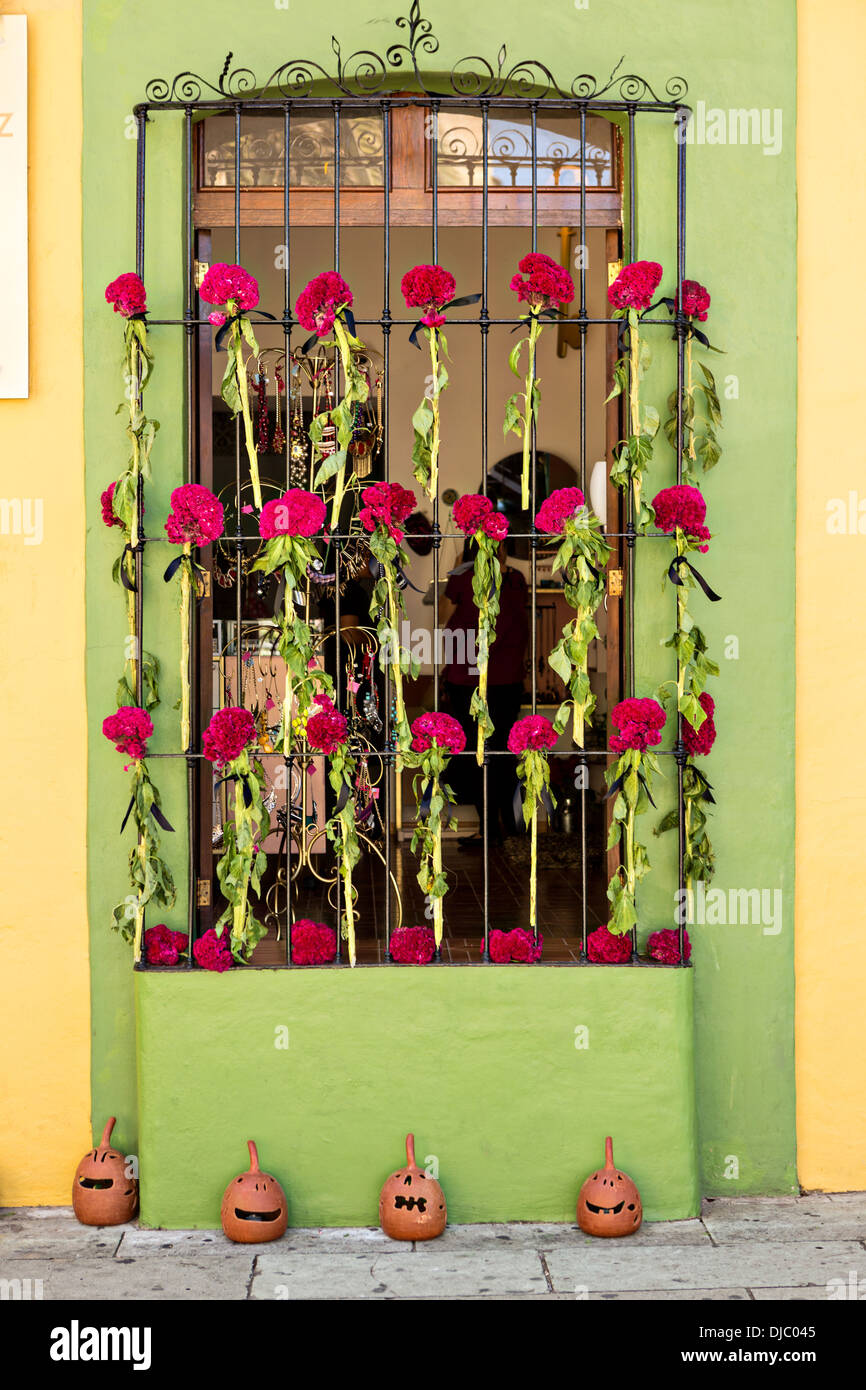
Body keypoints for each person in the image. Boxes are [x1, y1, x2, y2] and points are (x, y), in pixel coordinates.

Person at [441, 536, 529, 846]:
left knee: (478, 754)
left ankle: (491, 828)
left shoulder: (465, 578)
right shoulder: (516, 580)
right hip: (505, 681)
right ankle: (509, 825)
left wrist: (457, 569)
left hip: (470, 681)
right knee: (503, 752)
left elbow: (444, 614)